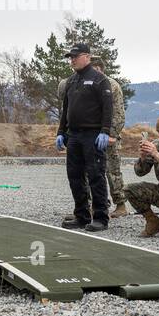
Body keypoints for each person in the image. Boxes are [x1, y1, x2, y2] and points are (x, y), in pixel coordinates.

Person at [55, 42, 115, 231]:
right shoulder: (71, 82)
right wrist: (61, 132)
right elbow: (65, 109)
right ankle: (81, 215)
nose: (72, 60)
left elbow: (108, 108)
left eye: (75, 56)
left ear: (87, 57)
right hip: (74, 135)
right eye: (70, 57)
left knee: (96, 176)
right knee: (75, 176)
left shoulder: (99, 79)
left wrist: (105, 130)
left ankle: (100, 218)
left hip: (93, 135)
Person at [92, 56, 128, 217]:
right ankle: (97, 203)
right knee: (91, 172)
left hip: (108, 136)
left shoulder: (112, 86)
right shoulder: (87, 84)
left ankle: (120, 205)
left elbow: (119, 115)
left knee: (112, 171)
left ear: (99, 68)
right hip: (90, 135)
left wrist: (110, 134)